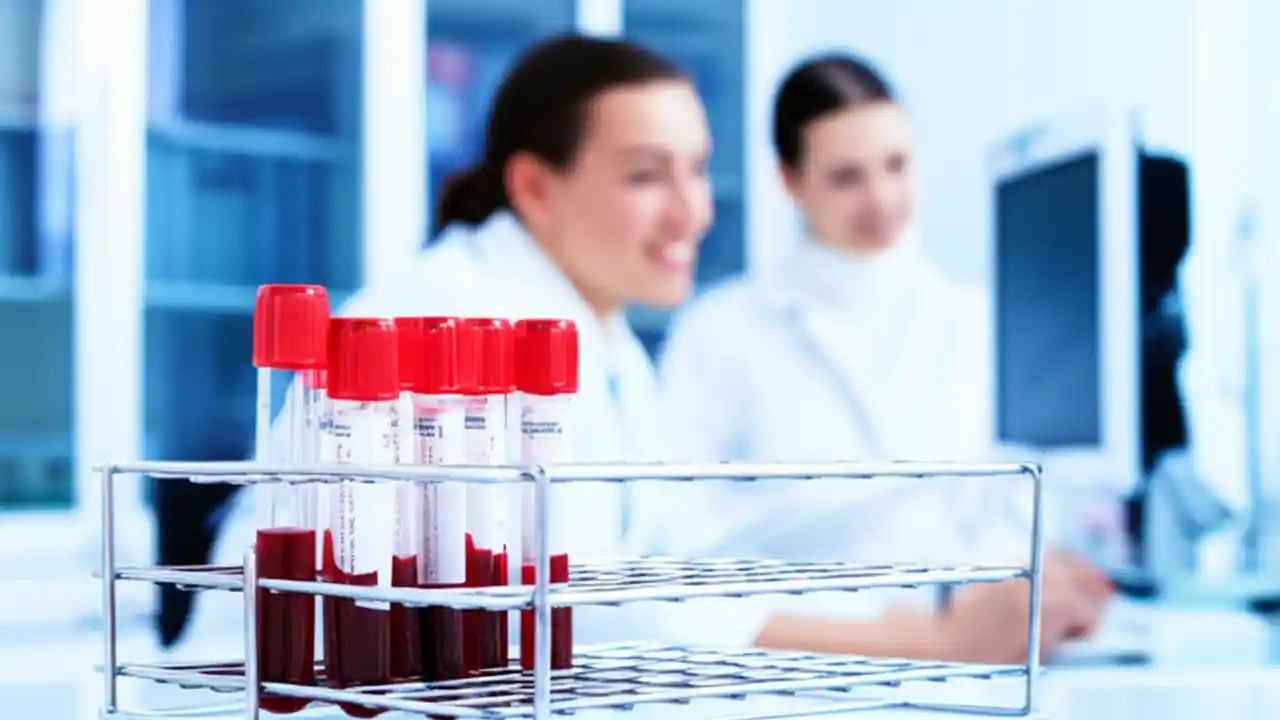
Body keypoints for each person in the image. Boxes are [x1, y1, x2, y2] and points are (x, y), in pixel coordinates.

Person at [168, 33, 712, 656]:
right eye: (646, 176)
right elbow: (550, 595)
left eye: (697, 169)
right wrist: (788, 632)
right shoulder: (447, 318)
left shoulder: (607, 339)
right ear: (535, 187)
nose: (692, 212)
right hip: (316, 680)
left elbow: (653, 556)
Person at [650, 53, 1113, 663]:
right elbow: (674, 546)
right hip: (795, 665)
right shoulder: (719, 333)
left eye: (896, 165)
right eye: (847, 178)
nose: (881, 198)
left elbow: (1014, 513)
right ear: (789, 180)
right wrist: (888, 630)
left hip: (972, 661)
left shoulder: (977, 322)